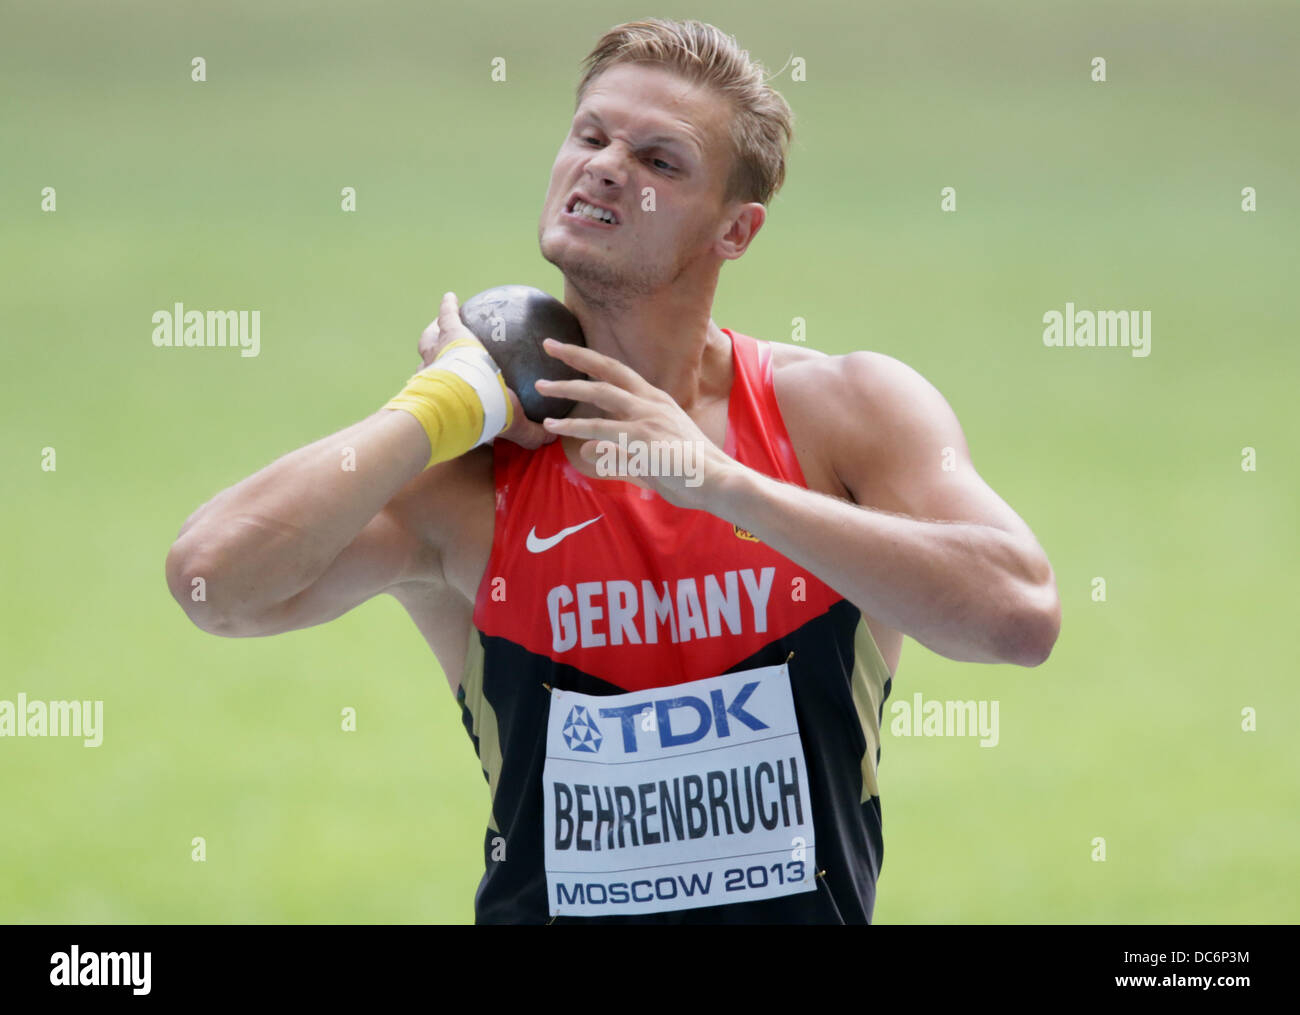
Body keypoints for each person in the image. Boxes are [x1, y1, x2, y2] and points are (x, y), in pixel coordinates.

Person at [166, 18, 1061, 924]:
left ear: (736, 230)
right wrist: (436, 406)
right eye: (590, 135)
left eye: (660, 161)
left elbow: (1019, 616)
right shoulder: (476, 467)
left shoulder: (841, 412)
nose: (604, 166)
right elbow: (213, 585)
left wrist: (722, 482)